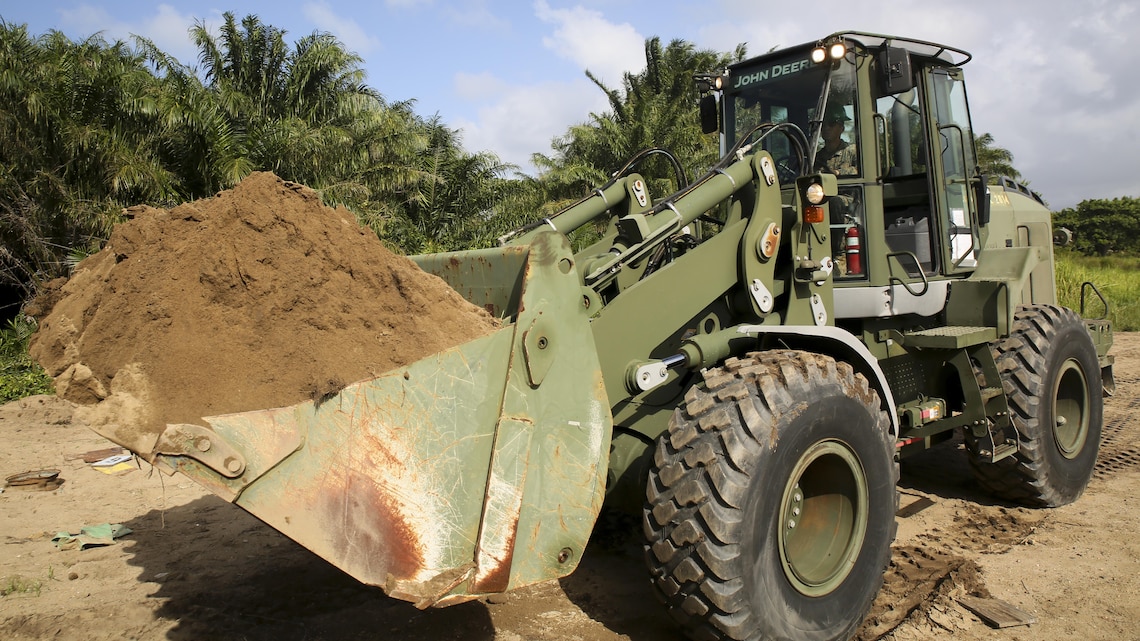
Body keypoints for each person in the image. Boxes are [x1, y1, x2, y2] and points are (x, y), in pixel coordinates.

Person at [815, 103, 858, 176]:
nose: (826, 128)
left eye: (831, 124)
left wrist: (838, 173)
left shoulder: (853, 152)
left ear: (842, 128)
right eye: (823, 125)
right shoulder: (817, 157)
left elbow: (861, 171)